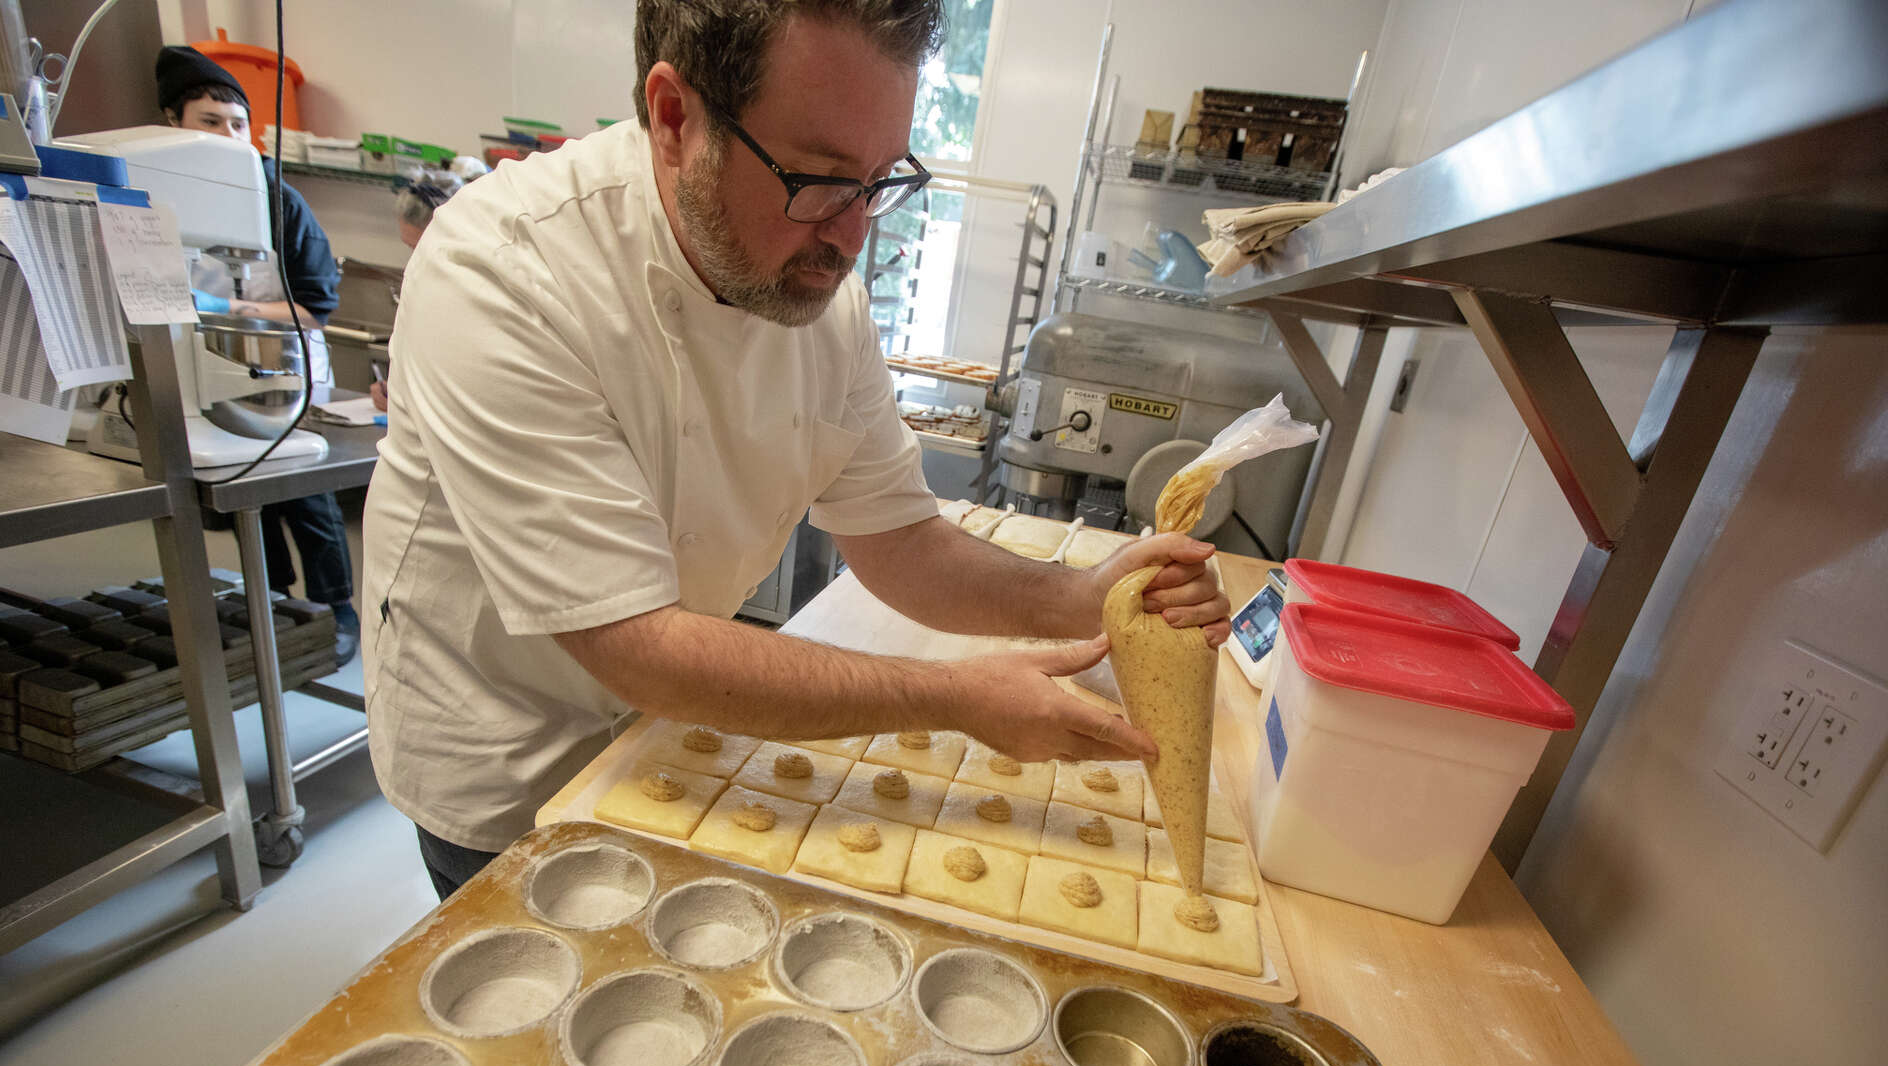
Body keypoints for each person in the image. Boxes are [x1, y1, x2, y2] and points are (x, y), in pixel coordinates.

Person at [363, 0, 1233, 899]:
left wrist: (1087, 599)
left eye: (882, 180)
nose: (854, 236)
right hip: (510, 749)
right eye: (817, 178)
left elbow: (901, 541)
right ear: (674, 118)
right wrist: (955, 697)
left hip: (675, 730)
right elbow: (637, 644)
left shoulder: (817, 294)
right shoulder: (506, 272)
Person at [156, 45, 362, 663]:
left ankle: (335, 609)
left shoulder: (279, 201)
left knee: (303, 493)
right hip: (203, 371)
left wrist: (229, 312)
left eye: (237, 124)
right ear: (173, 123)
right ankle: (276, 605)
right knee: (251, 496)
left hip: (281, 367)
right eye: (209, 122)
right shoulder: (159, 194)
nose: (227, 136)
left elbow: (314, 307)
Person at [369, 172, 465, 413]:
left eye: (422, 246)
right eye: (410, 247)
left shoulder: (476, 286)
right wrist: (395, 389)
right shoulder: (421, 280)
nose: (416, 258)